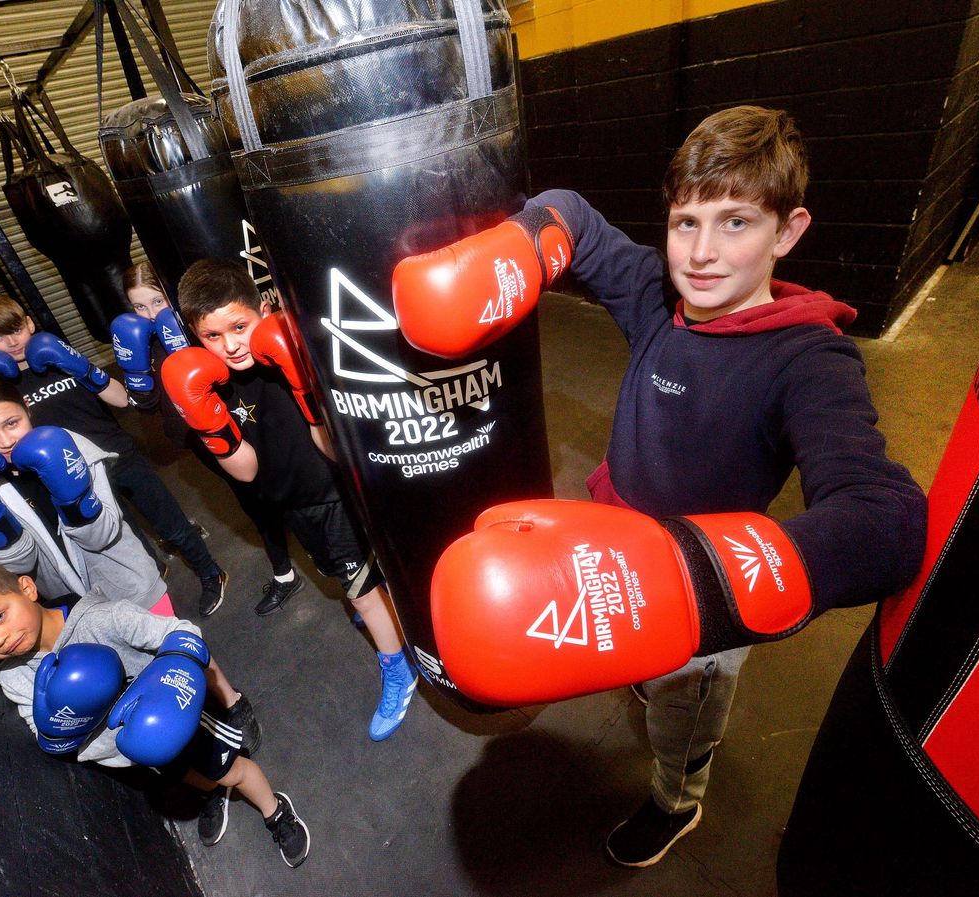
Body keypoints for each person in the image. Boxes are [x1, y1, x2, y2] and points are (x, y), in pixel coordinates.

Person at [391, 106, 927, 865]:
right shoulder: (658, 297)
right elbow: (573, 217)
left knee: (683, 721)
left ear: (789, 230)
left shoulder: (808, 360)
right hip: (611, 556)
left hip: (702, 610)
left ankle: (677, 800)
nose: (702, 254)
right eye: (685, 223)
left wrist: (695, 582)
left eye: (735, 223)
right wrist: (526, 240)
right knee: (647, 679)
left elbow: (887, 520)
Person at [0, 372, 262, 755]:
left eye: (11, 422)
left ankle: (231, 701)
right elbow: (14, 568)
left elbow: (102, 535)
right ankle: (193, 743)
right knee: (133, 673)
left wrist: (73, 501)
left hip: (126, 578)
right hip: (69, 605)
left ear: (26, 409)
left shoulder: (69, 448)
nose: (4, 441)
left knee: (172, 640)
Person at [163, 258, 419, 742]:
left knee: (359, 588)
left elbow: (334, 451)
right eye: (212, 337)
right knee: (358, 580)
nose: (230, 345)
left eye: (239, 326)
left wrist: (304, 389)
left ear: (263, 309)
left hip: (333, 493)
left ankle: (399, 667)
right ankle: (384, 612)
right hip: (291, 503)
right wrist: (210, 427)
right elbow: (246, 469)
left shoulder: (295, 354)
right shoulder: (206, 384)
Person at [0, 556, 310, 868]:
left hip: (180, 720)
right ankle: (213, 794)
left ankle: (274, 811)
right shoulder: (15, 678)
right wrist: (58, 726)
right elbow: (45, 736)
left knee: (234, 769)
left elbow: (179, 631)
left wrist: (177, 663)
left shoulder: (103, 619)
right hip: (130, 754)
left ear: (26, 588)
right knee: (192, 778)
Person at [0, 292, 231, 618]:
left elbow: (122, 400)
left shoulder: (59, 355)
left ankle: (210, 571)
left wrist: (83, 368)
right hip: (74, 477)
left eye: (15, 329)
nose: (11, 342)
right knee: (120, 536)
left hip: (119, 454)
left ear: (29, 322)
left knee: (169, 521)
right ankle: (152, 589)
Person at [115, 264, 301, 618]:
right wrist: (136, 374)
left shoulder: (200, 333)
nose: (152, 314)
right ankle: (286, 571)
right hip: (198, 440)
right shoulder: (140, 343)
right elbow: (146, 404)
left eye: (158, 301)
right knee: (251, 500)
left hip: (239, 424)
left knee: (277, 487)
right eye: (139, 307)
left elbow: (238, 366)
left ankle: (316, 559)